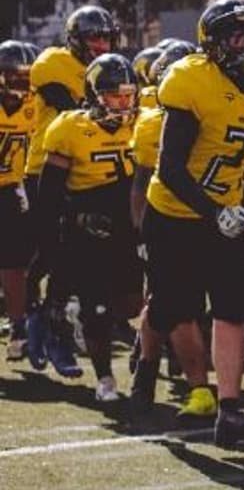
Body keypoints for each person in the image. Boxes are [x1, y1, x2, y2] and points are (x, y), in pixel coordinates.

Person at [144, 0, 244, 446]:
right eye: (236, 35)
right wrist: (215, 212)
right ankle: (149, 372)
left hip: (227, 214)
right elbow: (170, 167)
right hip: (174, 215)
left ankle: (228, 411)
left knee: (231, 310)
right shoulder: (194, 80)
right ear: (214, 44)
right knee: (171, 307)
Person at [37, 53, 142, 403]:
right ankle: (105, 379)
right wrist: (79, 218)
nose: (124, 102)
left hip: (128, 224)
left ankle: (84, 316)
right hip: (90, 227)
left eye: (128, 95)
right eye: (115, 95)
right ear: (95, 95)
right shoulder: (70, 128)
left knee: (131, 305)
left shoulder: (142, 124)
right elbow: (49, 196)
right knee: (98, 310)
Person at [24, 5, 118, 376]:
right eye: (94, 36)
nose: (101, 44)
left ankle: (51, 321)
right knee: (53, 251)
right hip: (46, 169)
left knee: (71, 254)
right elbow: (76, 109)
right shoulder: (53, 62)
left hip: (86, 174)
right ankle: (39, 320)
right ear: (75, 38)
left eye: (106, 37)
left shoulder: (107, 67)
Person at [128, 41, 196, 413]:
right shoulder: (153, 122)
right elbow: (140, 184)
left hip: (207, 219)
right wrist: (141, 232)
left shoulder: (220, 112)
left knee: (194, 305)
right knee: (165, 302)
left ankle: (177, 366)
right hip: (166, 218)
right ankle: (148, 366)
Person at [0, 41, 39, 362]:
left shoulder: (36, 104)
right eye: (16, 76)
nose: (22, 82)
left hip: (13, 189)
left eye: (28, 76)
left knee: (14, 264)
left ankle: (18, 326)